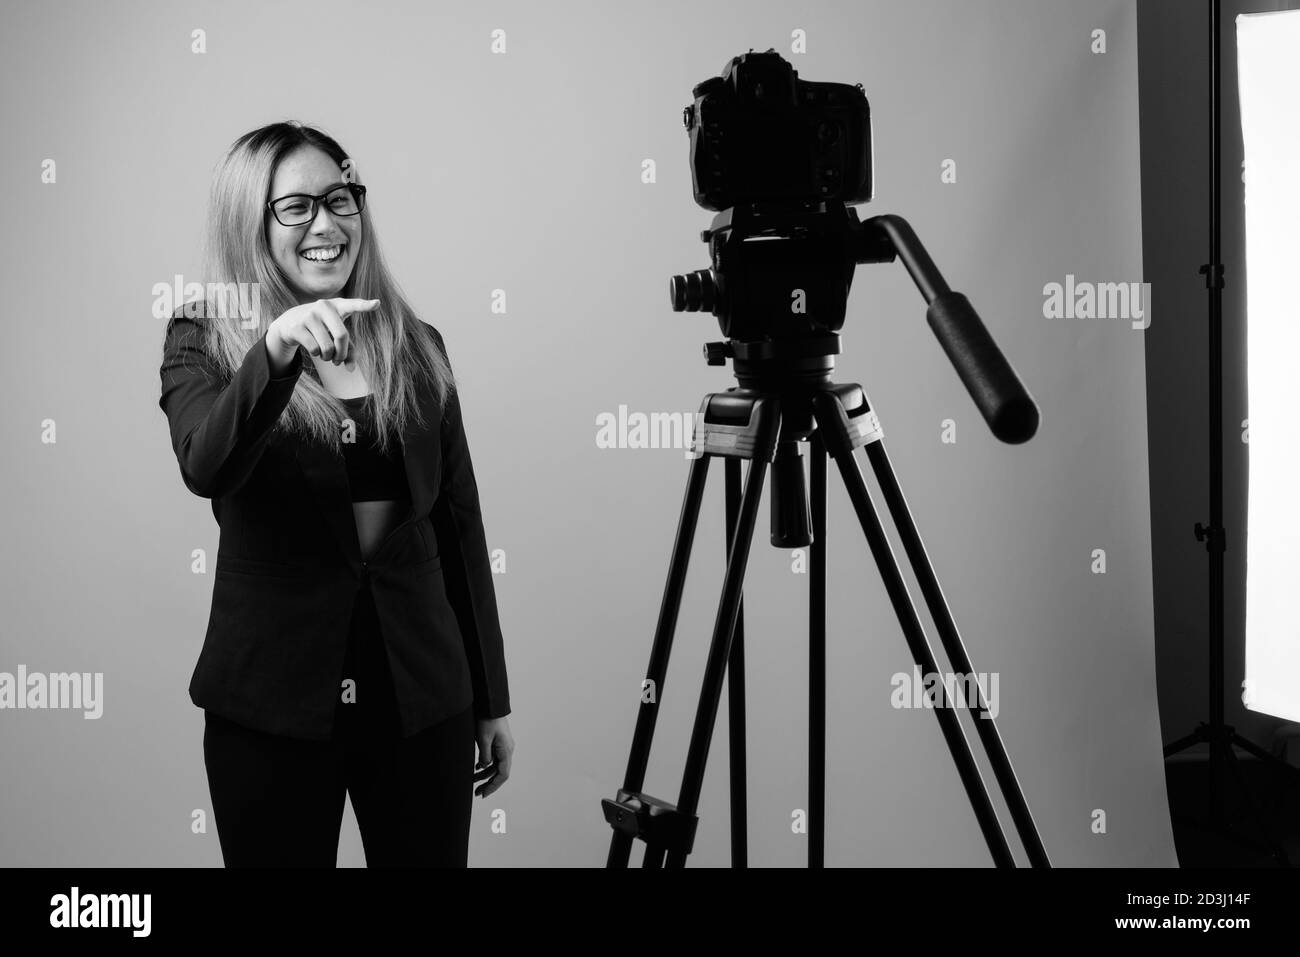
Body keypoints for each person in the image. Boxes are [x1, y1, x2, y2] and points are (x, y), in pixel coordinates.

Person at [157, 121, 514, 867]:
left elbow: (456, 525)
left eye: (341, 198)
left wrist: (489, 697)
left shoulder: (419, 345)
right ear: (249, 223)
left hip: (420, 700)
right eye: (295, 207)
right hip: (274, 707)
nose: (326, 223)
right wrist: (279, 349)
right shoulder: (205, 337)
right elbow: (206, 465)